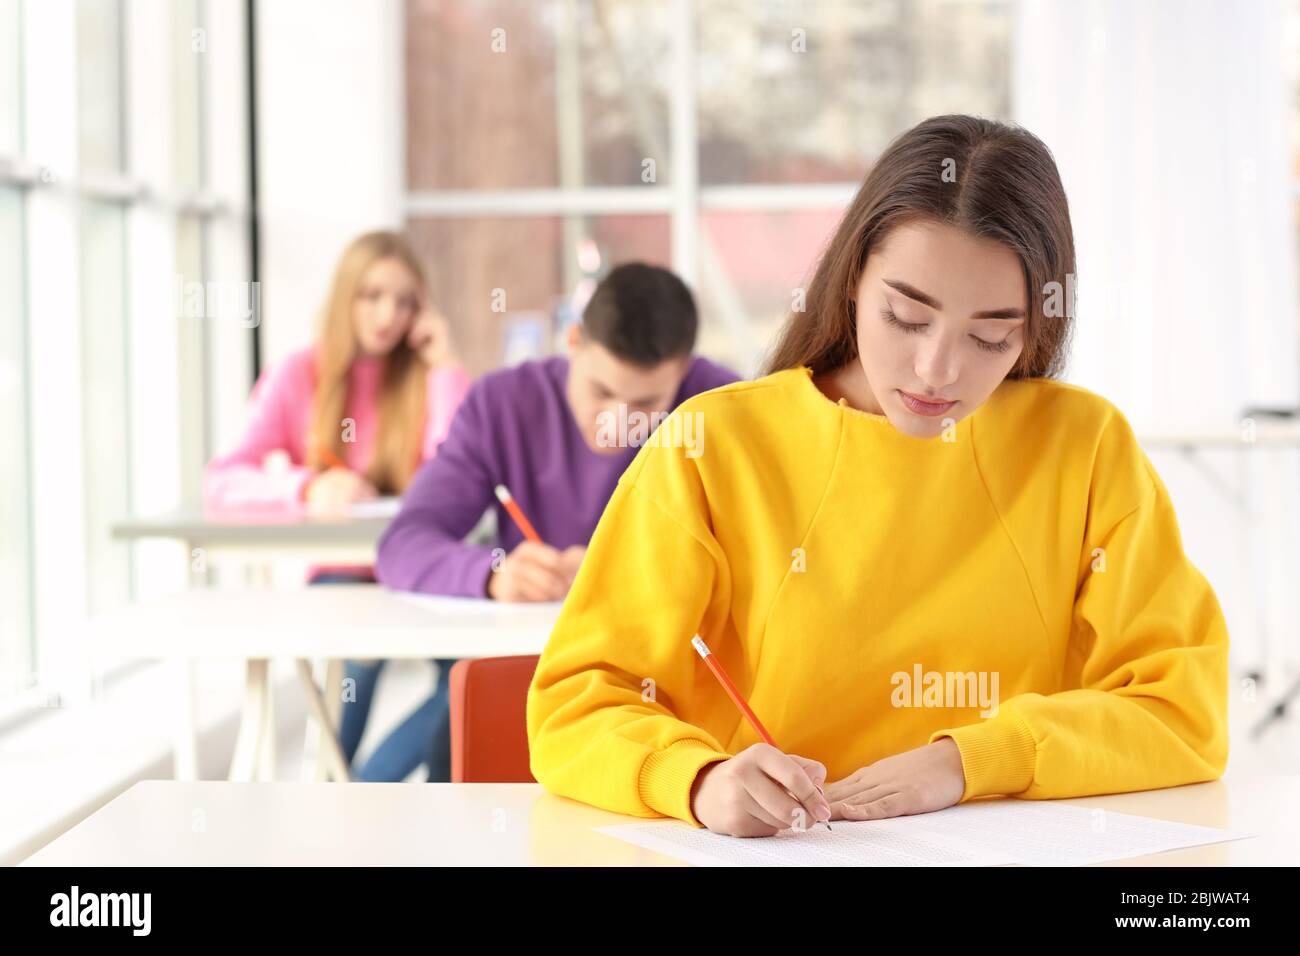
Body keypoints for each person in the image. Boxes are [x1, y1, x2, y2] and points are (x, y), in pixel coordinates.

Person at [525, 115, 1229, 836]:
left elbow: (1182, 708)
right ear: (853, 278)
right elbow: (578, 700)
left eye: (992, 336)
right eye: (906, 316)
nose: (938, 372)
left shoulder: (1082, 446)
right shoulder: (712, 447)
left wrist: (970, 761)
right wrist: (697, 779)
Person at [373, 262, 739, 780]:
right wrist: (494, 574)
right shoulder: (500, 404)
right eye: (602, 392)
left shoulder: (721, 407)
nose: (617, 421)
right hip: (528, 665)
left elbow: (765, 556)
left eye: (645, 404)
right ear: (573, 341)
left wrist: (625, 571)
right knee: (450, 749)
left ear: (685, 371)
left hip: (674, 682)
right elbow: (404, 543)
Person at [204, 229, 470, 781]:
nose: (387, 315)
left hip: (418, 575)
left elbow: (460, 467)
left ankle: (365, 791)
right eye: (371, 295)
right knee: (358, 666)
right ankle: (342, 790)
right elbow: (223, 481)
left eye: (403, 301)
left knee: (469, 674)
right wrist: (305, 489)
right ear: (345, 296)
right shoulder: (298, 374)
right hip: (344, 579)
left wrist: (445, 367)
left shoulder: (422, 378)